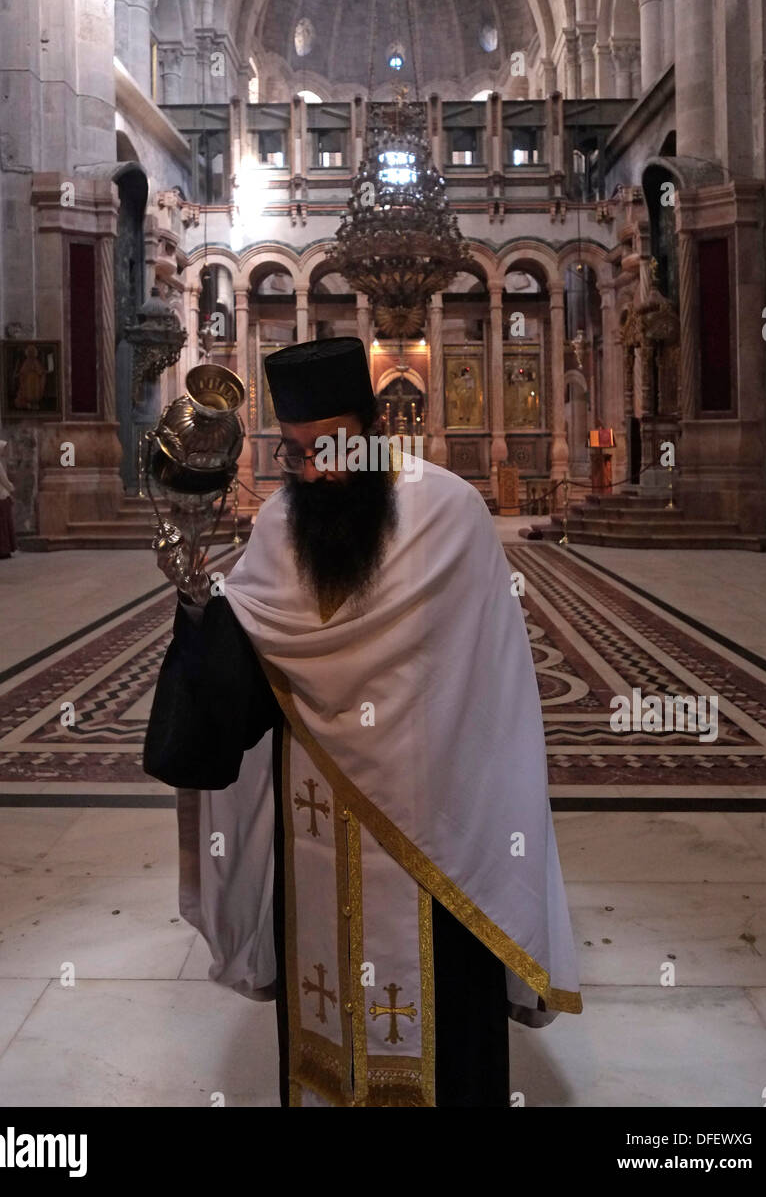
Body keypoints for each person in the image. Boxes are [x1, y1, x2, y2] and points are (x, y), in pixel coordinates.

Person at [148, 337, 581, 1108]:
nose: (318, 470)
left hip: (439, 833)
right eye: (298, 453)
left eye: (335, 446)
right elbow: (243, 678)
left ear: (375, 429)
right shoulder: (280, 527)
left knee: (449, 1050)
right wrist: (195, 611)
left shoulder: (450, 512)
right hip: (316, 827)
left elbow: (493, 690)